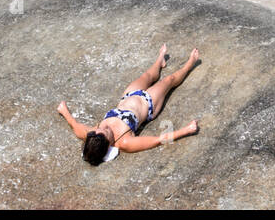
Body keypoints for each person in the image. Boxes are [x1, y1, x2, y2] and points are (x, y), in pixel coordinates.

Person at [57, 44, 201, 164]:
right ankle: (190, 63)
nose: (102, 127)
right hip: (149, 103)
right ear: (108, 144)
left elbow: (76, 127)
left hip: (128, 96)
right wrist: (186, 130)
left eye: (97, 130)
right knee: (169, 80)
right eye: (105, 132)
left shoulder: (94, 136)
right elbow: (157, 140)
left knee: (147, 76)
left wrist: (64, 112)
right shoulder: (125, 142)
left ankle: (159, 61)